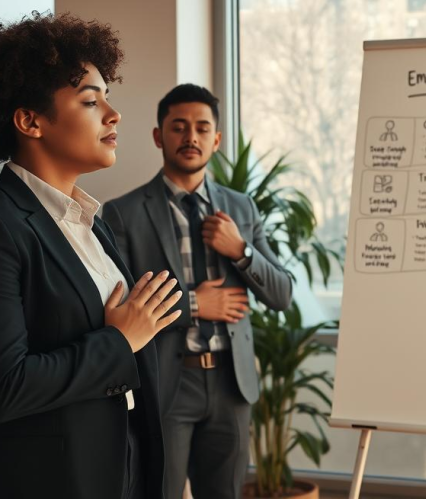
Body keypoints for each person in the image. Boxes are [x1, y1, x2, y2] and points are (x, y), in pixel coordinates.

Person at [0, 13, 183, 499]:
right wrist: (119, 339)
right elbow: (4, 388)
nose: (113, 115)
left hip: (117, 471)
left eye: (107, 98)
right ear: (29, 120)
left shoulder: (93, 226)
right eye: (91, 101)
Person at [103, 84, 293, 499]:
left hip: (231, 384)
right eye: (179, 127)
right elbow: (116, 306)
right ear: (159, 136)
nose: (191, 137)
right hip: (168, 381)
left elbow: (282, 294)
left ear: (216, 139)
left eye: (202, 128)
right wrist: (194, 304)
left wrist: (240, 251)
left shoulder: (241, 209)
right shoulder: (123, 212)